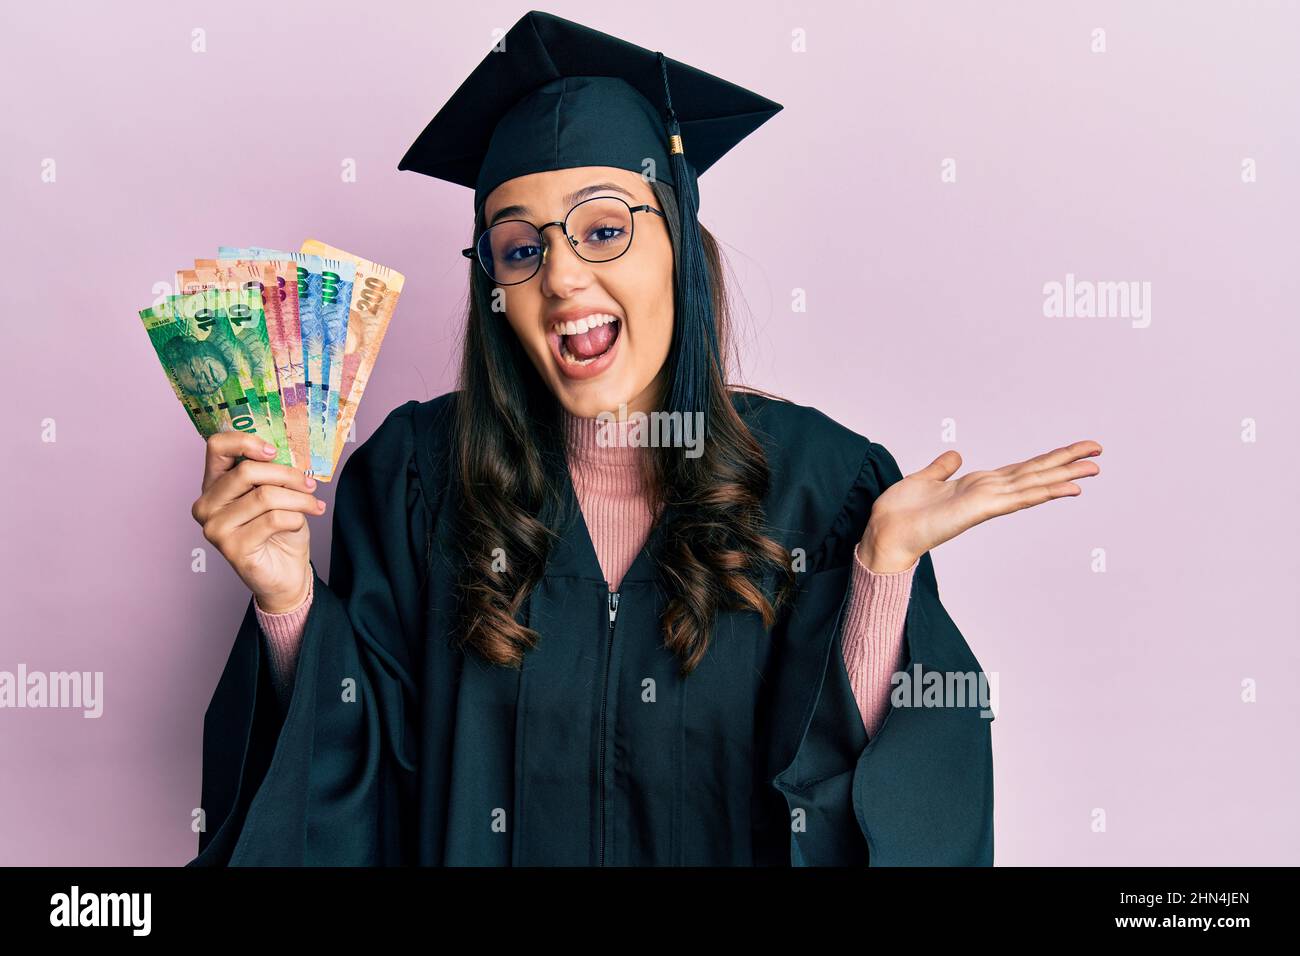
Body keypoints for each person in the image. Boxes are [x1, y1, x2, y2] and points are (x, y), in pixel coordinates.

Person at [186, 11, 1100, 866]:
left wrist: (880, 573)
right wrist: (288, 602)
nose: (563, 276)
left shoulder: (824, 485)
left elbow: (858, 812)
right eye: (520, 247)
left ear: (678, 248)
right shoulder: (418, 478)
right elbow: (357, 780)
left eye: (605, 229)